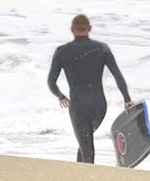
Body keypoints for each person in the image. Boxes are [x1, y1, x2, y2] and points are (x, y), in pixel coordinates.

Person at [47, 14, 133, 164]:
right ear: (90, 29)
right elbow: (117, 76)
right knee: (85, 142)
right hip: (99, 106)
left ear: (72, 29)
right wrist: (127, 99)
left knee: (87, 149)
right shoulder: (102, 48)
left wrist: (60, 96)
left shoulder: (62, 52)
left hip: (79, 106)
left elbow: (51, 82)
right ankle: (78, 173)